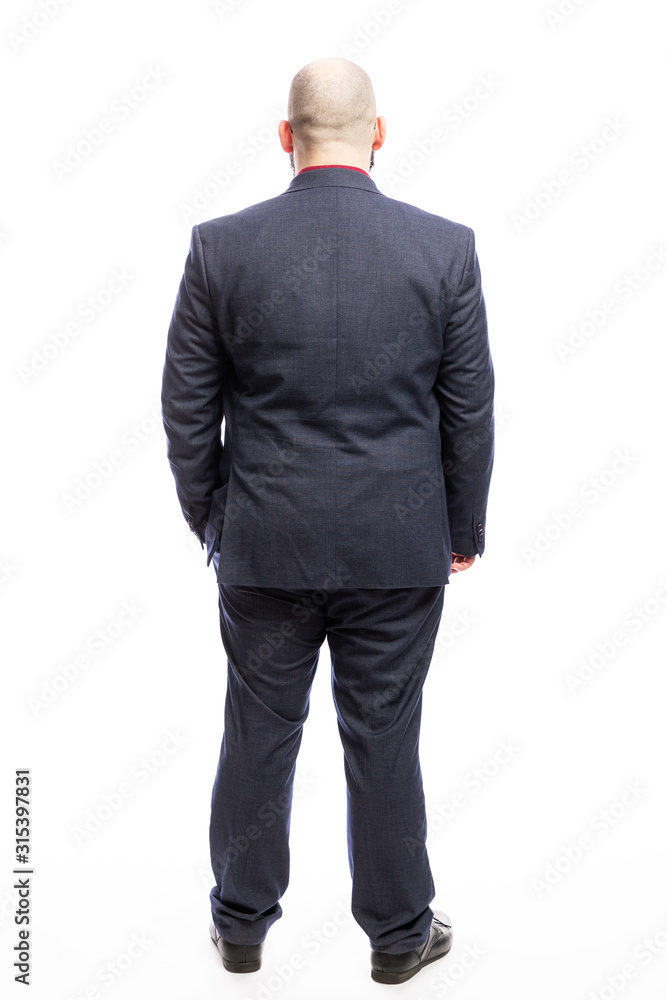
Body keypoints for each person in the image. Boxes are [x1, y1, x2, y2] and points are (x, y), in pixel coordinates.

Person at [160, 56, 495, 986]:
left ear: (284, 137)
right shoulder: (444, 249)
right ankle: (398, 936)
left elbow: (186, 408)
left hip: (265, 545)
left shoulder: (220, 248)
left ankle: (238, 926)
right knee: (384, 734)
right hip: (395, 547)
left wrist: (217, 521)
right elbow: (468, 410)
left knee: (257, 733)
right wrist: (459, 532)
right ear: (378, 134)